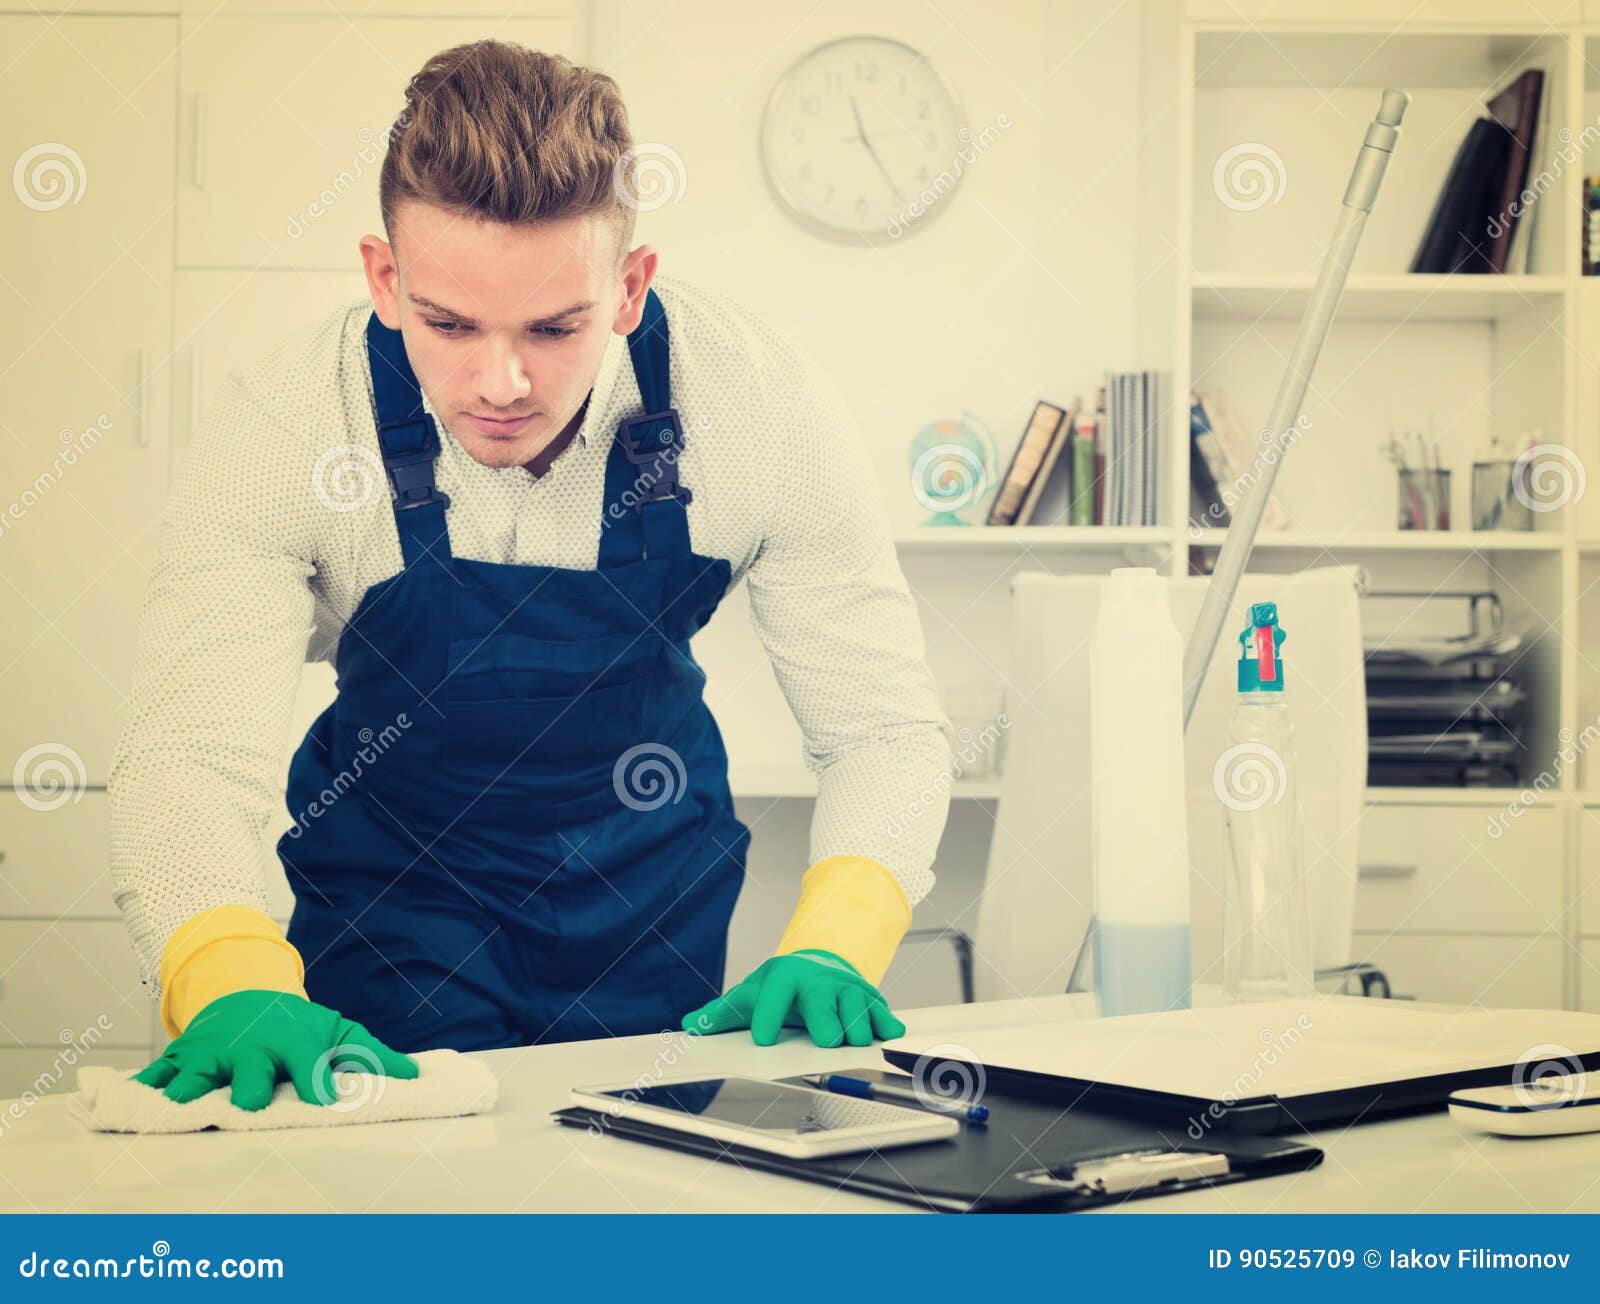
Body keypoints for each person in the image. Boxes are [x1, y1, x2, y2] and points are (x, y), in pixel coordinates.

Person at [110, 40, 954, 1111]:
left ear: (630, 286)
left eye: (554, 328)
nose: (499, 382)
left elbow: (881, 728)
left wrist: (839, 941)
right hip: (391, 908)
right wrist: (224, 973)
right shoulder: (286, 423)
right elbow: (186, 753)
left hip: (645, 909)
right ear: (384, 277)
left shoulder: (761, 408)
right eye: (449, 323)